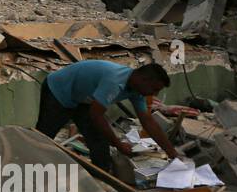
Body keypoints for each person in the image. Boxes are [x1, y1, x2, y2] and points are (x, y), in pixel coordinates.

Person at [35, 60, 179, 172]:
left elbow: (148, 121)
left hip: (83, 97)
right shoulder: (115, 81)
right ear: (144, 80)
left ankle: (103, 177)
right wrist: (118, 144)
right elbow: (97, 115)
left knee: (98, 140)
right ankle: (29, 170)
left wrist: (171, 152)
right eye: (154, 89)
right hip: (58, 90)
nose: (154, 94)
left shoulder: (137, 90)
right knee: (44, 137)